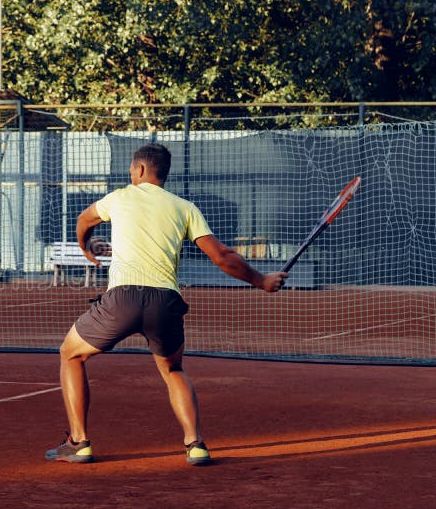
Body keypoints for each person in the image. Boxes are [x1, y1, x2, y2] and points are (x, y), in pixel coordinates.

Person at [45, 143, 288, 466]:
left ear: (141, 170)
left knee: (70, 354)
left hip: (122, 299)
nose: (130, 174)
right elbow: (222, 257)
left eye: (132, 169)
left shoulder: (118, 198)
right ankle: (195, 444)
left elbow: (84, 219)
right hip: (165, 302)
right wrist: (262, 281)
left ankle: (79, 442)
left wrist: (86, 247)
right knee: (173, 368)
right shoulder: (185, 208)